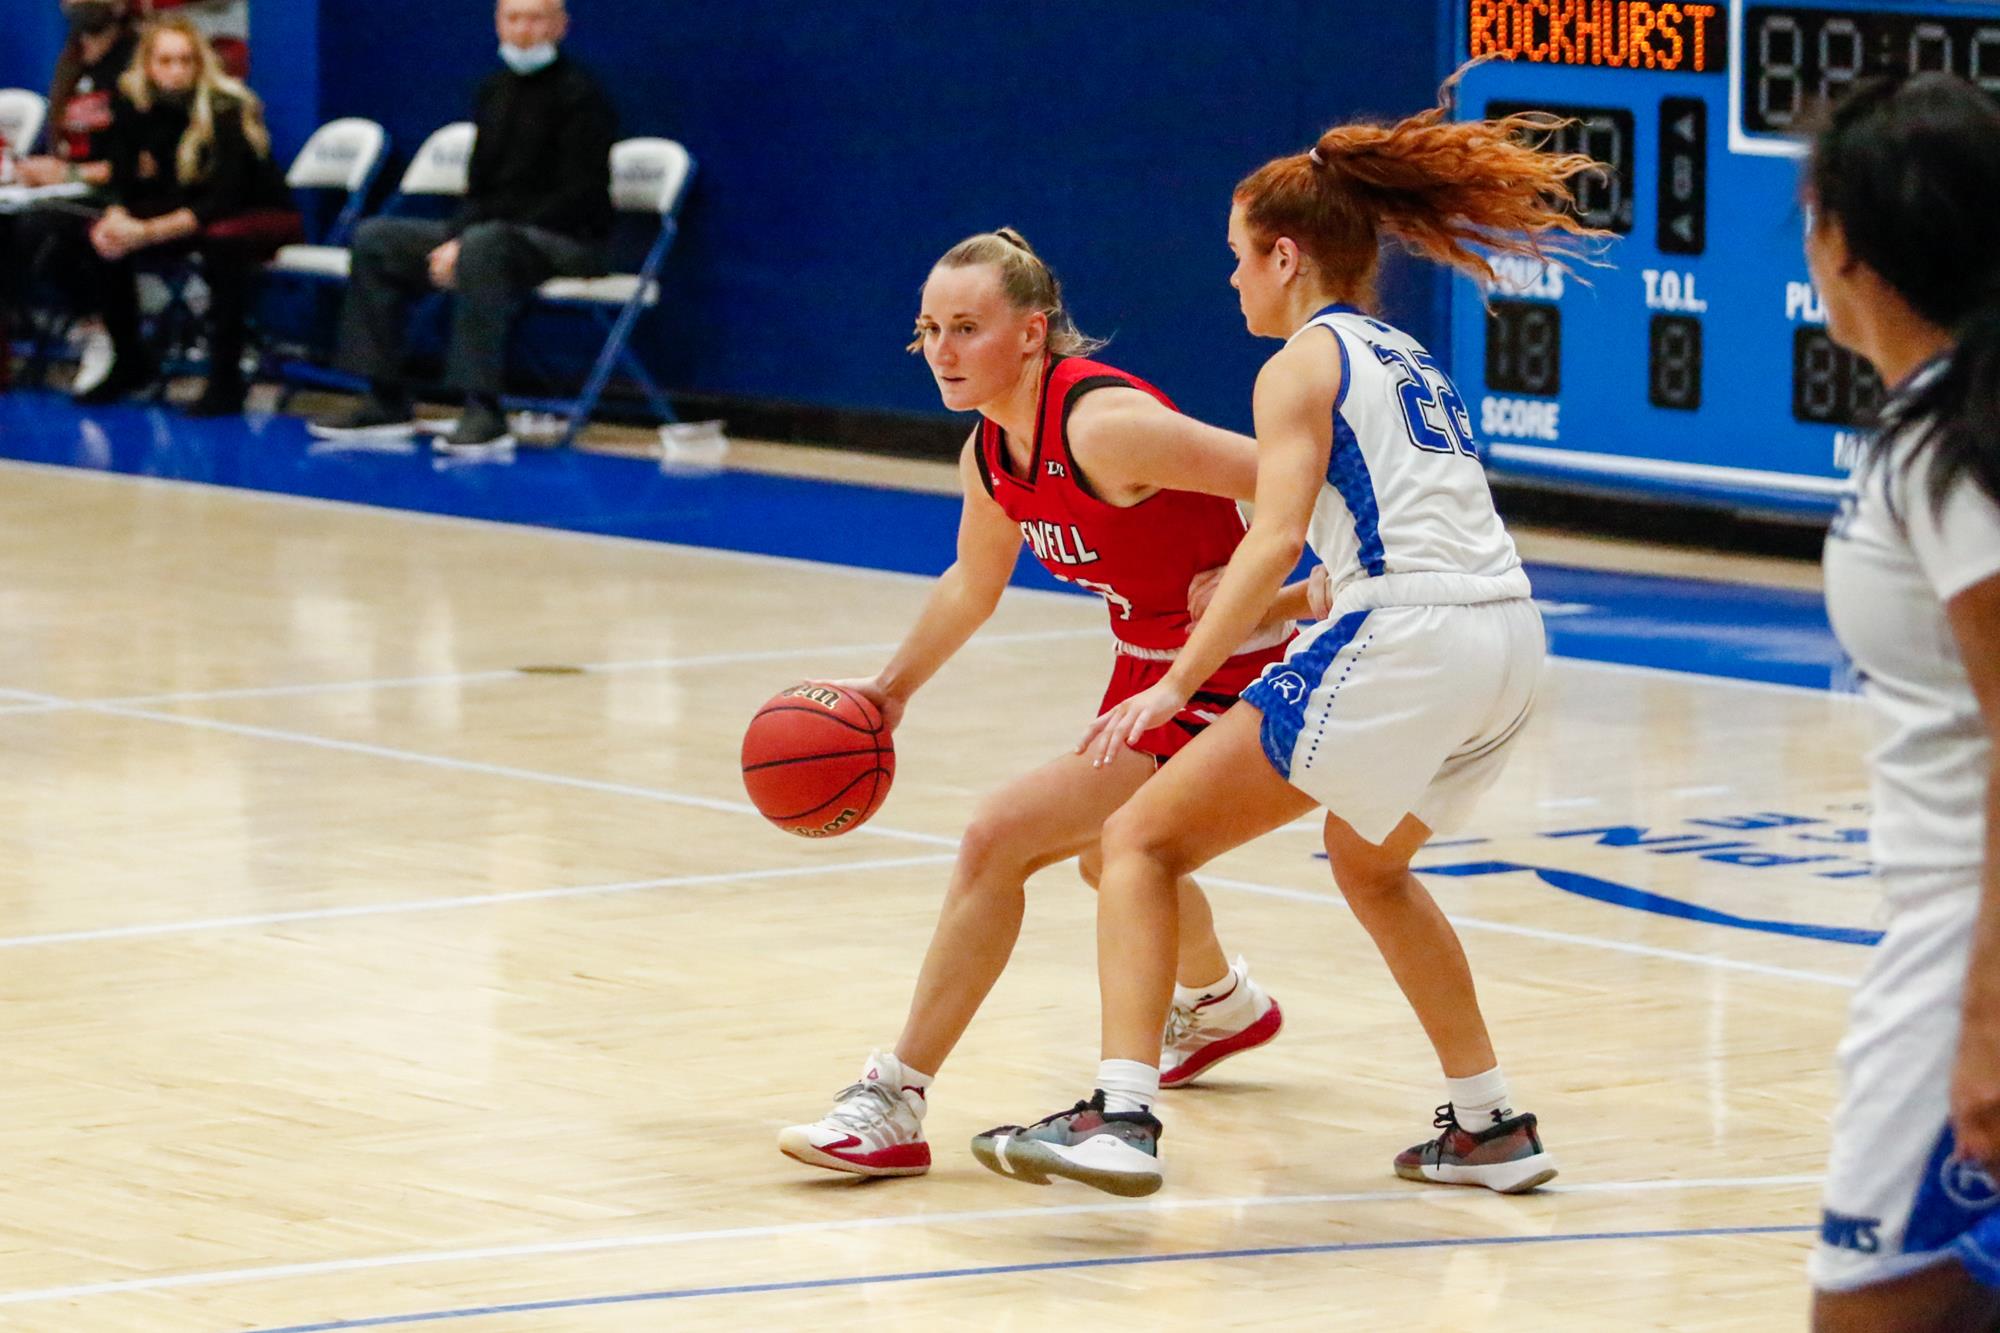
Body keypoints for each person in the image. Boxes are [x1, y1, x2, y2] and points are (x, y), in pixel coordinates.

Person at [971, 81, 1601, 1199]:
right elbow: (1407, 542)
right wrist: (1298, 604)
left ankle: (1119, 1114)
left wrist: (1177, 682)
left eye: (1236, 256)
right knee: (1371, 865)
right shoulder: (1403, 357)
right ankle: (1489, 1122)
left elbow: (1270, 530)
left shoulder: (1299, 362)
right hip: (1506, 638)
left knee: (1136, 840)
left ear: (1285, 255)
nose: (1230, 279)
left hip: (1410, 639)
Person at [777, 228, 1314, 1178]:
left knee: (1001, 836)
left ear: (1031, 332)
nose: (943, 351)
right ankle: (1221, 1004)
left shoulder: (1105, 426)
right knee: (1114, 861)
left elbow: (1311, 477)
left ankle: (895, 1097)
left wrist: (1279, 589)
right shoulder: (991, 451)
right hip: (1147, 664)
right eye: (929, 329)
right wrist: (890, 691)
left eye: (967, 328)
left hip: (1242, 663)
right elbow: (972, 582)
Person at [1805, 74, 2000, 1333]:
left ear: (1846, 244)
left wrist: (1984, 1014)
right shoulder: (1943, 423)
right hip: (1950, 930)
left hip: (1962, 947)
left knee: (1869, 1310)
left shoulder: (1951, 450)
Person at [308, 0, 615, 453]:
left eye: (535, 19)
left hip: (568, 240)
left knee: (484, 247)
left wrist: (468, 241)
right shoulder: (492, 90)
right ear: (498, 25)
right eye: (513, 18)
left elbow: (578, 196)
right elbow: (479, 189)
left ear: (560, 26)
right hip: (492, 235)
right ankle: (384, 398)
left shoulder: (582, 95)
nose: (523, 30)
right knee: (376, 238)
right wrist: (455, 237)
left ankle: (483, 409)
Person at [72, 16, 299, 414]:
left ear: (200, 63)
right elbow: (121, 180)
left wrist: (148, 232)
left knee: (222, 240)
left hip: (254, 209)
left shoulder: (226, 107)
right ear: (147, 65)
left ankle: (226, 377)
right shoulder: (132, 102)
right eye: (165, 61)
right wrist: (118, 218)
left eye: (185, 61)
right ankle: (129, 359)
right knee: (102, 235)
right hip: (186, 203)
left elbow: (223, 199)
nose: (176, 71)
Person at [0, 0, 140, 391]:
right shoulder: (72, 61)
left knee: (41, 230)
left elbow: (142, 162)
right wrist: (34, 171)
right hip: (69, 187)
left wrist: (71, 173)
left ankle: (95, 327)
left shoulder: (135, 62)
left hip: (120, 192)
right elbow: (62, 147)